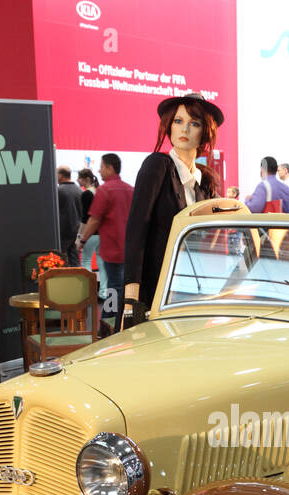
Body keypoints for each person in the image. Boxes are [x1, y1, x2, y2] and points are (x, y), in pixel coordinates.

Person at [124, 93, 223, 312]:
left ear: (205, 131)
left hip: (192, 289)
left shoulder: (204, 181)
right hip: (157, 289)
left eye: (194, 123)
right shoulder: (157, 166)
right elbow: (136, 231)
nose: (184, 129)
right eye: (178, 121)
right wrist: (130, 301)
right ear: (169, 126)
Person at [76, 153, 133, 329]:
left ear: (109, 168)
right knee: (121, 287)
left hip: (112, 249)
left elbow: (94, 220)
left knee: (113, 288)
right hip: (128, 249)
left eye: (101, 167)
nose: (99, 171)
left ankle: (109, 324)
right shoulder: (130, 189)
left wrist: (82, 240)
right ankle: (117, 322)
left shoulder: (105, 190)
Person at [57, 166, 84, 267]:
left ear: (60, 176)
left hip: (63, 234)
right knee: (75, 261)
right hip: (77, 232)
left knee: (61, 262)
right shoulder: (79, 191)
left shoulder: (58, 191)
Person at [76, 168, 99, 272]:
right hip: (101, 233)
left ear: (86, 179)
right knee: (102, 263)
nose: (77, 180)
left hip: (90, 233)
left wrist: (79, 236)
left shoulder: (86, 194)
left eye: (79, 178)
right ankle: (103, 288)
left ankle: (89, 287)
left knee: (85, 260)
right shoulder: (98, 192)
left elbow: (85, 218)